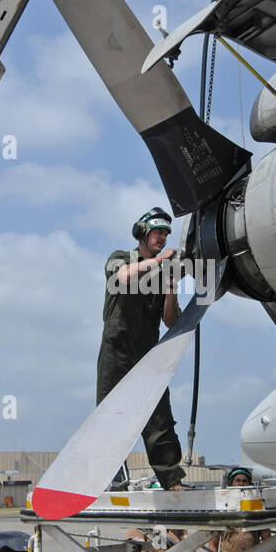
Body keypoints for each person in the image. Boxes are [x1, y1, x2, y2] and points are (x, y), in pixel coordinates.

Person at [98, 207, 185, 490]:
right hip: (117, 352)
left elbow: (171, 320)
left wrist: (171, 284)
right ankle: (112, 479)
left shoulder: (161, 274)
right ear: (142, 234)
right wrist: (160, 261)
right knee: (110, 416)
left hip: (148, 355)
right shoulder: (120, 259)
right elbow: (123, 277)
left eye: (165, 233)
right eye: (158, 232)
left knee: (160, 421)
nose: (162, 237)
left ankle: (171, 481)